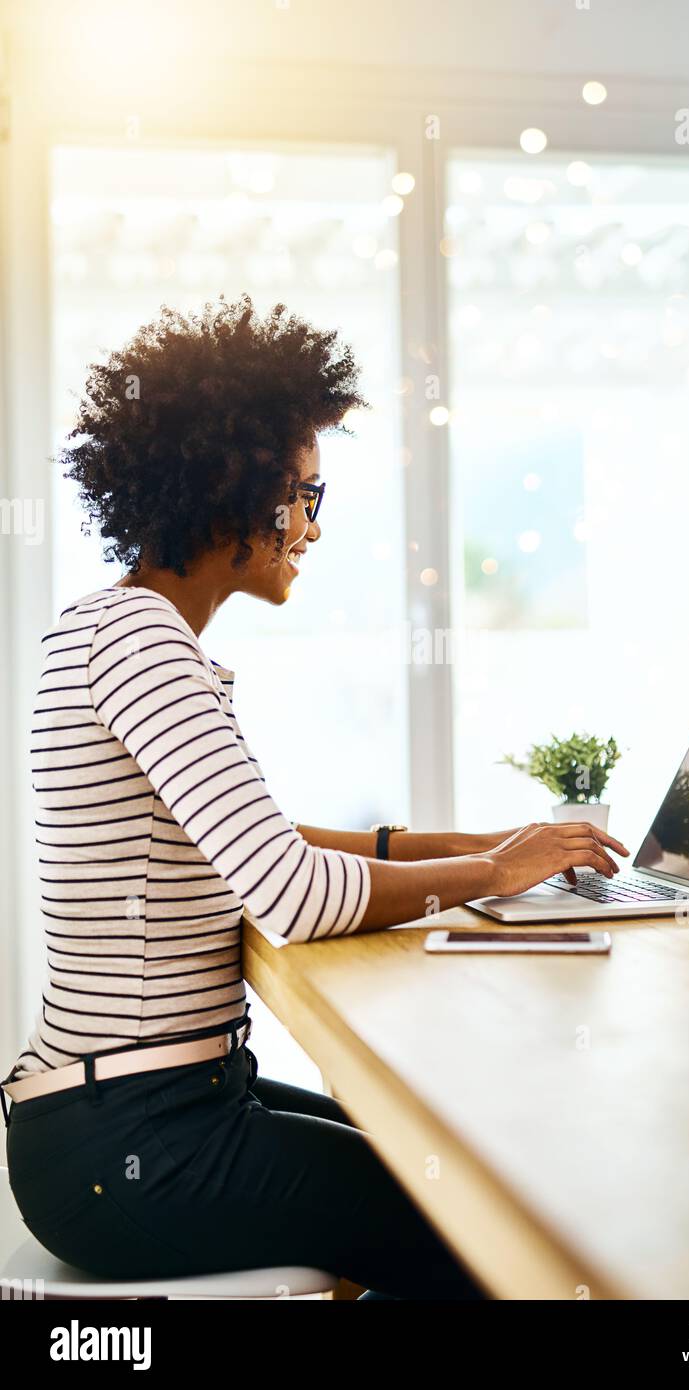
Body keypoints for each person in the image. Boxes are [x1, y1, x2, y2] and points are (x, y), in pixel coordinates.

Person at [1, 295, 627, 1300]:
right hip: (125, 1147)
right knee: (465, 1218)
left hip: (143, 1113)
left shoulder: (123, 633)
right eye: (306, 495)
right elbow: (288, 894)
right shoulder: (141, 645)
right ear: (228, 491)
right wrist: (496, 873)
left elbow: (257, 840)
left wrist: (472, 841)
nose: (313, 528)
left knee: (444, 1168)